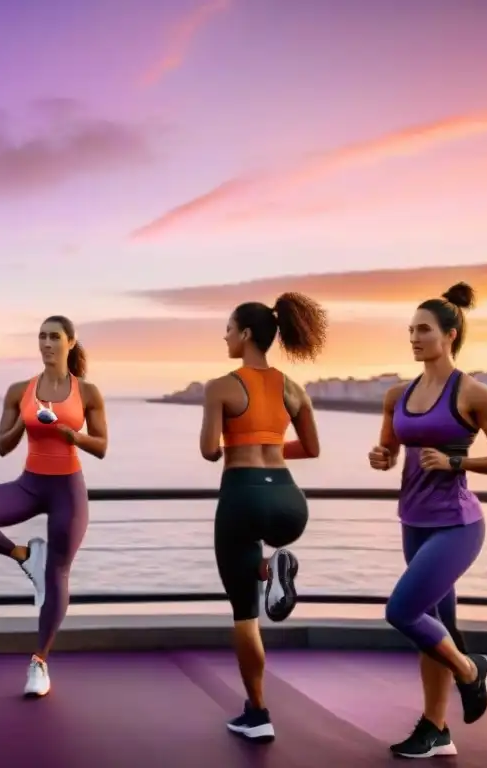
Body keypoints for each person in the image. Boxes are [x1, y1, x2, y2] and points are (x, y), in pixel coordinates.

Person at [369, 282, 487, 759]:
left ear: (450, 335)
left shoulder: (475, 394)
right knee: (432, 627)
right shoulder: (398, 395)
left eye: (424, 330)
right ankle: (436, 729)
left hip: (457, 525)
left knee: (402, 612)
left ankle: (472, 670)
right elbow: (389, 450)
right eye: (411, 330)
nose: (414, 338)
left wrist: (459, 462)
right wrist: (381, 457)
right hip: (412, 520)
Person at [0, 315, 108, 698]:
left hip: (68, 491)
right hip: (29, 486)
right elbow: (3, 445)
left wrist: (74, 436)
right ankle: (24, 555)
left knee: (58, 574)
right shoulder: (21, 390)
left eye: (54, 337)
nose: (47, 343)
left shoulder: (88, 393)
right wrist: (24, 419)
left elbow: (101, 446)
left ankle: (39, 662)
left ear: (70, 342)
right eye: (42, 337)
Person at [199, 292, 327, 743]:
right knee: (255, 558)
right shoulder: (294, 388)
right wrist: (269, 445)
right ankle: (271, 566)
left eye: (229, 329)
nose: (225, 337)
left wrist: (237, 445)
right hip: (290, 503)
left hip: (243, 497)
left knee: (245, 614)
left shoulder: (220, 386)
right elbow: (311, 448)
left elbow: (209, 450)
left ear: (247, 334)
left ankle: (257, 713)